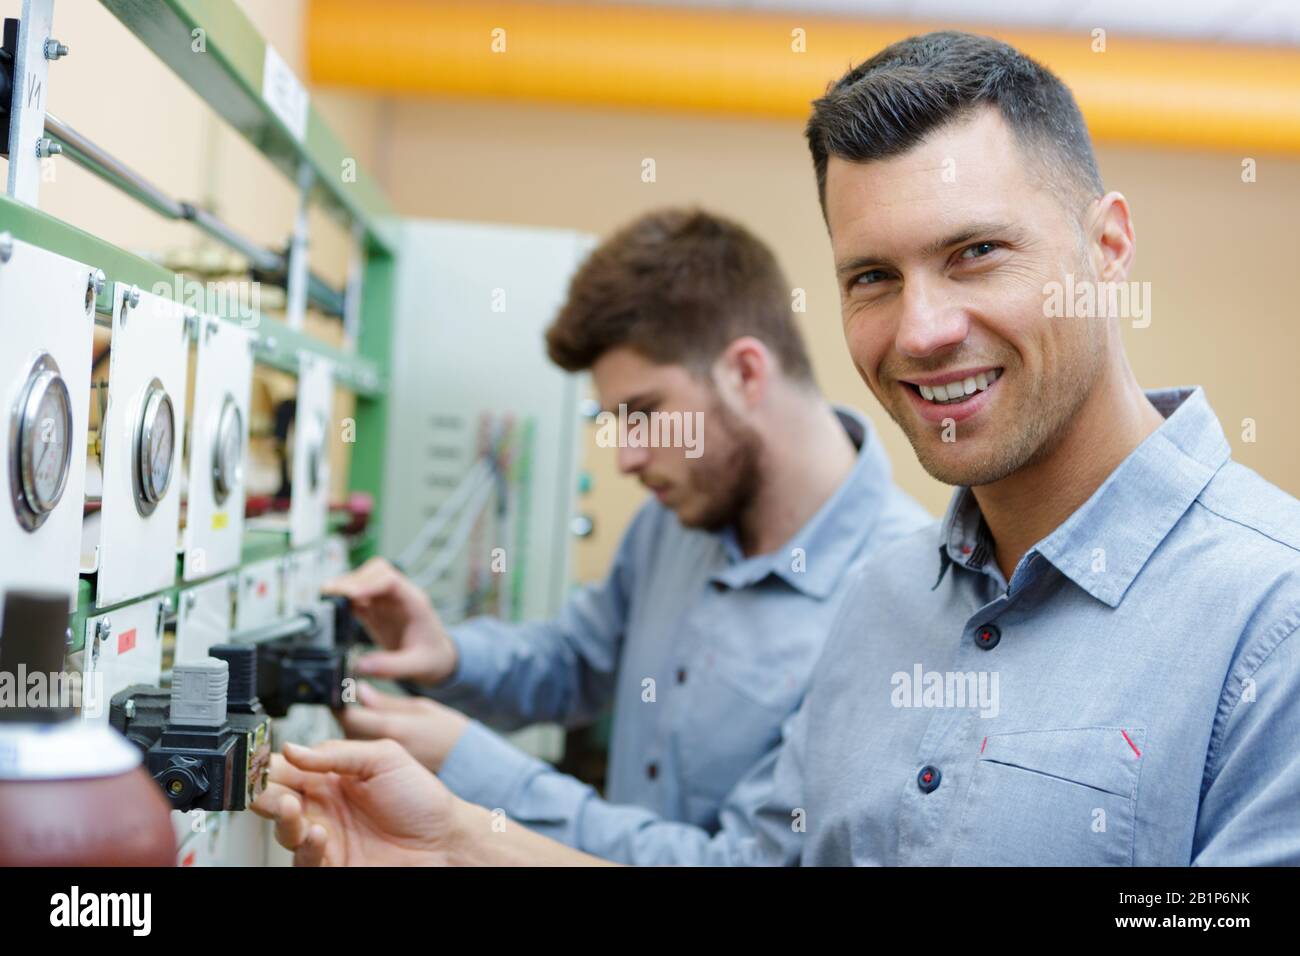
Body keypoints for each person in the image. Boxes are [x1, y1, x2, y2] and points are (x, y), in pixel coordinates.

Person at [258, 31, 1300, 866]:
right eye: (871, 277)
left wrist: (478, 778)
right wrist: (460, 841)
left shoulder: (1271, 621)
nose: (922, 328)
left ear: (1107, 246)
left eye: (975, 252)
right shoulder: (885, 603)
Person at [307, 207, 931, 865]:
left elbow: (748, 862)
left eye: (643, 414)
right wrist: (449, 658)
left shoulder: (902, 602)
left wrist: (476, 773)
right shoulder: (677, 520)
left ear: (745, 374)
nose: (626, 458)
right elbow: (578, 660)